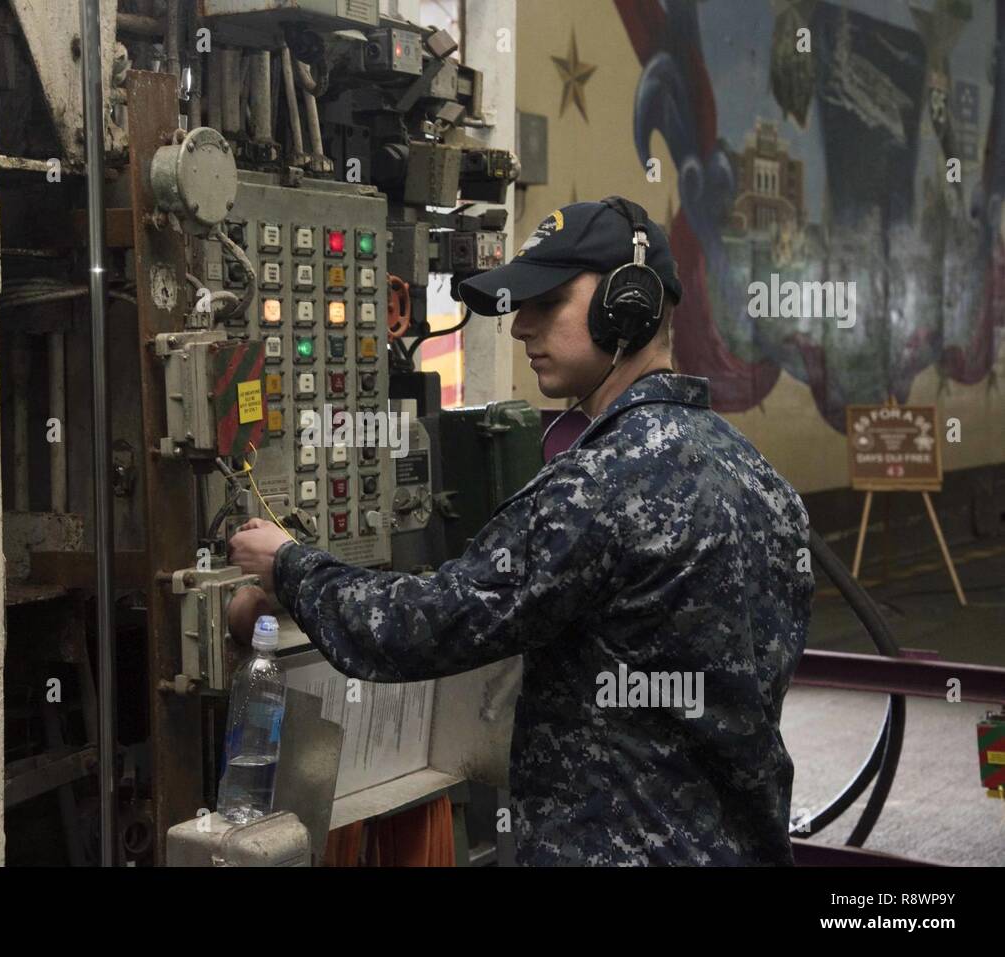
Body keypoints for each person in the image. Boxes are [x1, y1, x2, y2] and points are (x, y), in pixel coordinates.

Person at [229, 197, 814, 865]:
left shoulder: (598, 487)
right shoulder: (767, 482)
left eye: (548, 302)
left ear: (629, 304)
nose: (520, 328)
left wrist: (288, 565)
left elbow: (420, 628)